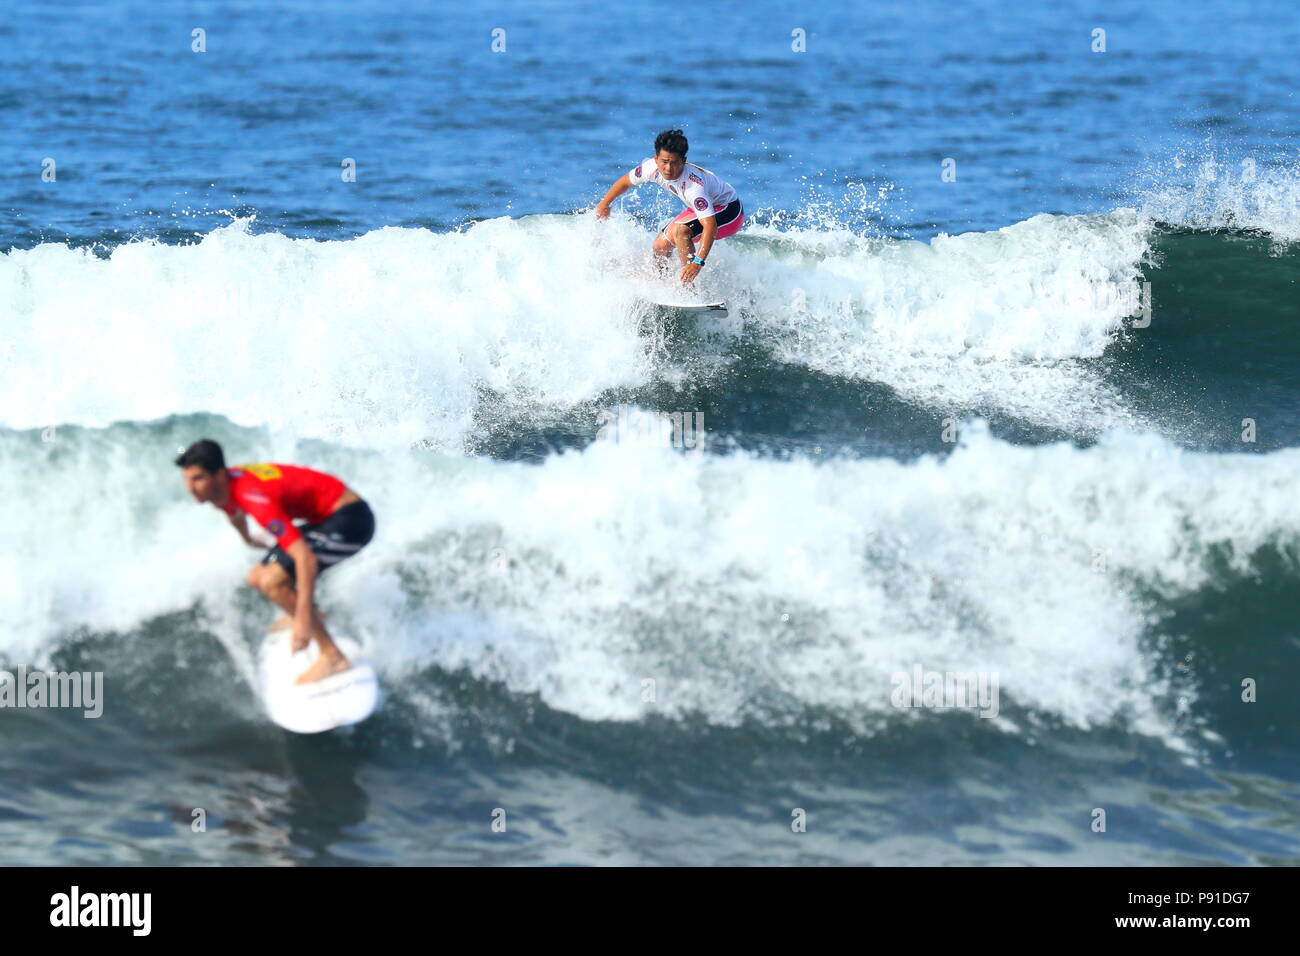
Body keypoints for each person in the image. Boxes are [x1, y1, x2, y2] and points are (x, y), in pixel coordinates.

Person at [175, 439, 375, 685]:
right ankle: (316, 614)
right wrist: (248, 538)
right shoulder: (223, 487)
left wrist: (302, 619)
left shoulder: (252, 497)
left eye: (197, 479)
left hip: (352, 521)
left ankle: (331, 655)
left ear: (218, 474)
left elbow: (306, 558)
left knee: (273, 582)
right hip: (324, 519)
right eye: (187, 478)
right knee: (256, 577)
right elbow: (232, 511)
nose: (190, 488)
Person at [595, 129, 745, 284]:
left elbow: (710, 226)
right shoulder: (650, 168)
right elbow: (625, 182)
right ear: (656, 158)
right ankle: (661, 284)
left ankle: (689, 292)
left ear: (684, 161)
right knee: (660, 246)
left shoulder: (694, 186)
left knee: (682, 231)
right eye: (664, 162)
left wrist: (697, 262)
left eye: (674, 163)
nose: (668, 168)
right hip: (700, 208)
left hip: (729, 211)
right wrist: (604, 204)